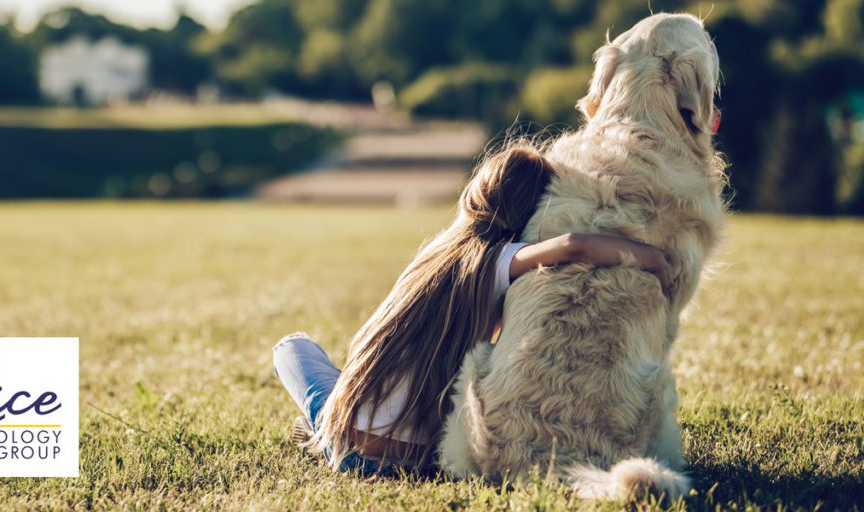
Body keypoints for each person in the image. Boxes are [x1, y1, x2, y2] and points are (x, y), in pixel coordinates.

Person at [272, 144, 672, 476]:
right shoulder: (498, 261)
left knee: (292, 348)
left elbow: (572, 246)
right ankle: (320, 426)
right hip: (422, 458)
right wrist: (653, 258)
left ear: (477, 191)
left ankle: (319, 429)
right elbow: (572, 245)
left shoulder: (438, 257)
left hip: (350, 447)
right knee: (339, 390)